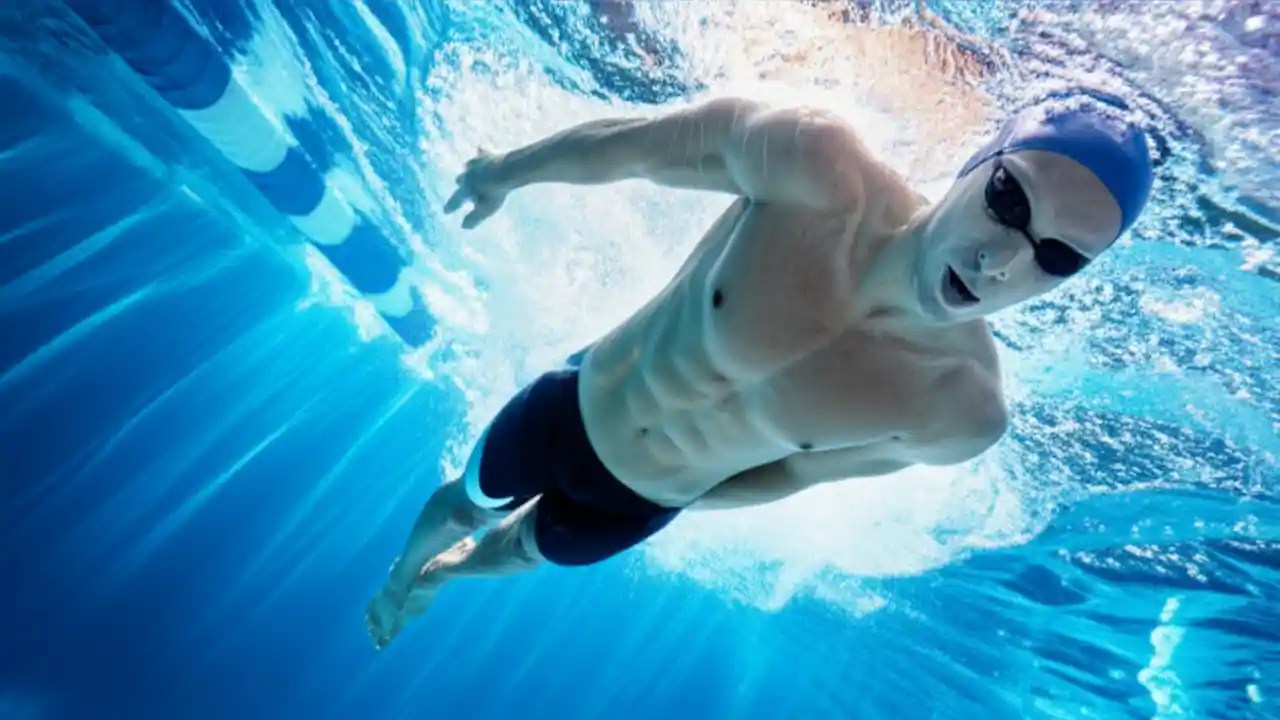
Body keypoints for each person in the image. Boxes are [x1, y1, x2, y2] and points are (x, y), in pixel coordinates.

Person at [365, 96, 1154, 648]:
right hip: (568, 412)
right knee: (461, 502)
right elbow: (635, 146)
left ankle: (443, 578)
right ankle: (405, 572)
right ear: (977, 163)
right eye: (1008, 201)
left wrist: (672, 495)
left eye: (1055, 258)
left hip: (636, 508)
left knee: (501, 557)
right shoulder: (816, 166)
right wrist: (508, 170)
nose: (1000, 260)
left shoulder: (959, 411)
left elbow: (794, 475)